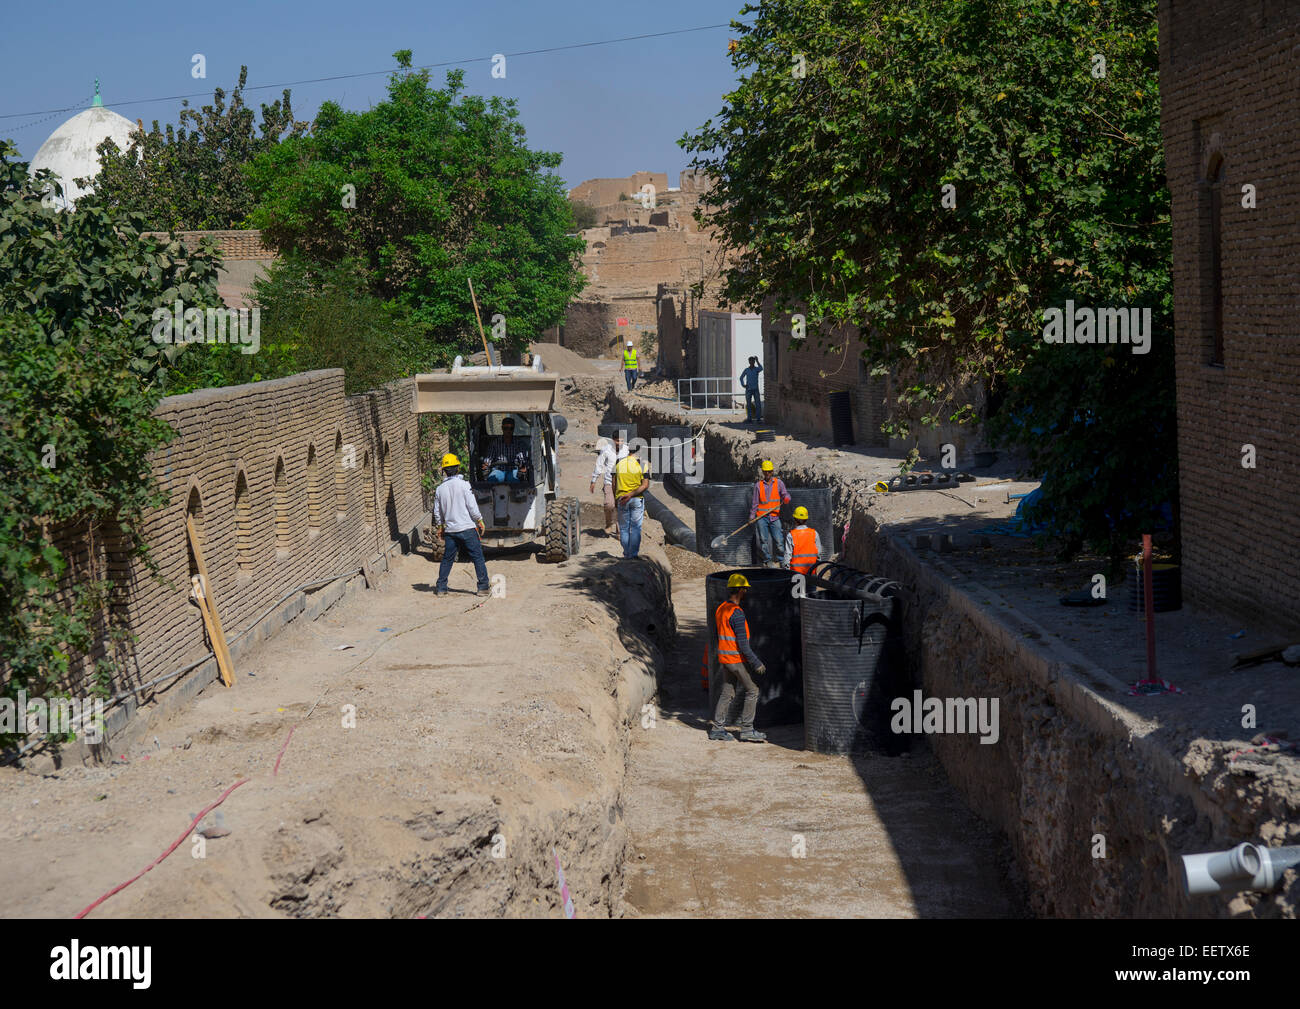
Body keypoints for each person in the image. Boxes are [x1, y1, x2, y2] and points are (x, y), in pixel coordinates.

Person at [708, 573, 767, 743]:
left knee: (727, 692)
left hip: (725, 658)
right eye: (745, 589)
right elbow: (743, 644)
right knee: (752, 690)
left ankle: (717, 729)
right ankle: (747, 729)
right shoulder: (737, 614)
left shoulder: (721, 609)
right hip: (735, 659)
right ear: (741, 590)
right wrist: (756, 662)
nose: (746, 592)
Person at [433, 453, 491, 597]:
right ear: (457, 468)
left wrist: (440, 527)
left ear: (444, 471)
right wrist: (479, 520)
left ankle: (441, 588)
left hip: (451, 531)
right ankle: (483, 587)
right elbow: (472, 506)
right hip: (467, 528)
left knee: (447, 559)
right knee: (478, 557)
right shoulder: (464, 485)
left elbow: (437, 512)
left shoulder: (440, 489)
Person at [750, 460, 790, 568]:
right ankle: (767, 561)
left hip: (774, 517)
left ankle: (781, 560)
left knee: (779, 540)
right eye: (765, 472)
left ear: (772, 472)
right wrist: (752, 516)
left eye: (769, 471)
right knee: (763, 541)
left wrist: (786, 498)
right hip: (761, 518)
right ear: (763, 472)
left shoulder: (779, 483)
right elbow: (755, 502)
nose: (767, 473)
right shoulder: (758, 486)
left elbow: (785, 494)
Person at [589, 429, 628, 535]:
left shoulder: (627, 450)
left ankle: (620, 530)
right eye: (618, 441)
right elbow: (599, 465)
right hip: (609, 482)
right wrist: (593, 481)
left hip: (623, 483)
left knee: (621, 505)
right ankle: (609, 524)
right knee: (609, 504)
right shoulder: (606, 450)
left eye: (622, 441)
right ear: (613, 440)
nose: (620, 443)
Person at [614, 446, 649, 558]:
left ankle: (626, 553)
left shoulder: (619, 462)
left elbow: (614, 483)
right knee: (635, 528)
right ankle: (633, 555)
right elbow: (645, 485)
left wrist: (616, 498)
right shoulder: (642, 464)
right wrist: (631, 494)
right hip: (636, 499)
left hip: (621, 499)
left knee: (623, 528)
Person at [480, 416, 531, 485]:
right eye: (505, 428)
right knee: (492, 480)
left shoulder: (518, 443)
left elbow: (523, 460)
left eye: (511, 428)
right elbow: (488, 459)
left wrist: (523, 467)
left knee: (513, 480)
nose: (508, 431)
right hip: (498, 470)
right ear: (502, 428)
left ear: (513, 429)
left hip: (513, 470)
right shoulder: (495, 443)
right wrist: (485, 465)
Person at [783, 505, 822, 576]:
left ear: (794, 519)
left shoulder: (791, 535)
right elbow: (818, 554)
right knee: (811, 587)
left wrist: (787, 570)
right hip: (811, 572)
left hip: (795, 573)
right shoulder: (814, 533)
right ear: (806, 519)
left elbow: (787, 555)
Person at [739, 356, 764, 423]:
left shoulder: (756, 369)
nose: (752, 362)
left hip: (755, 389)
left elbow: (761, 368)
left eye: (753, 361)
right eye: (750, 361)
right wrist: (743, 385)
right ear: (749, 362)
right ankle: (749, 418)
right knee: (749, 404)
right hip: (748, 389)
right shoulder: (746, 370)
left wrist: (758, 360)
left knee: (758, 404)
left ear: (754, 362)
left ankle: (758, 418)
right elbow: (741, 377)